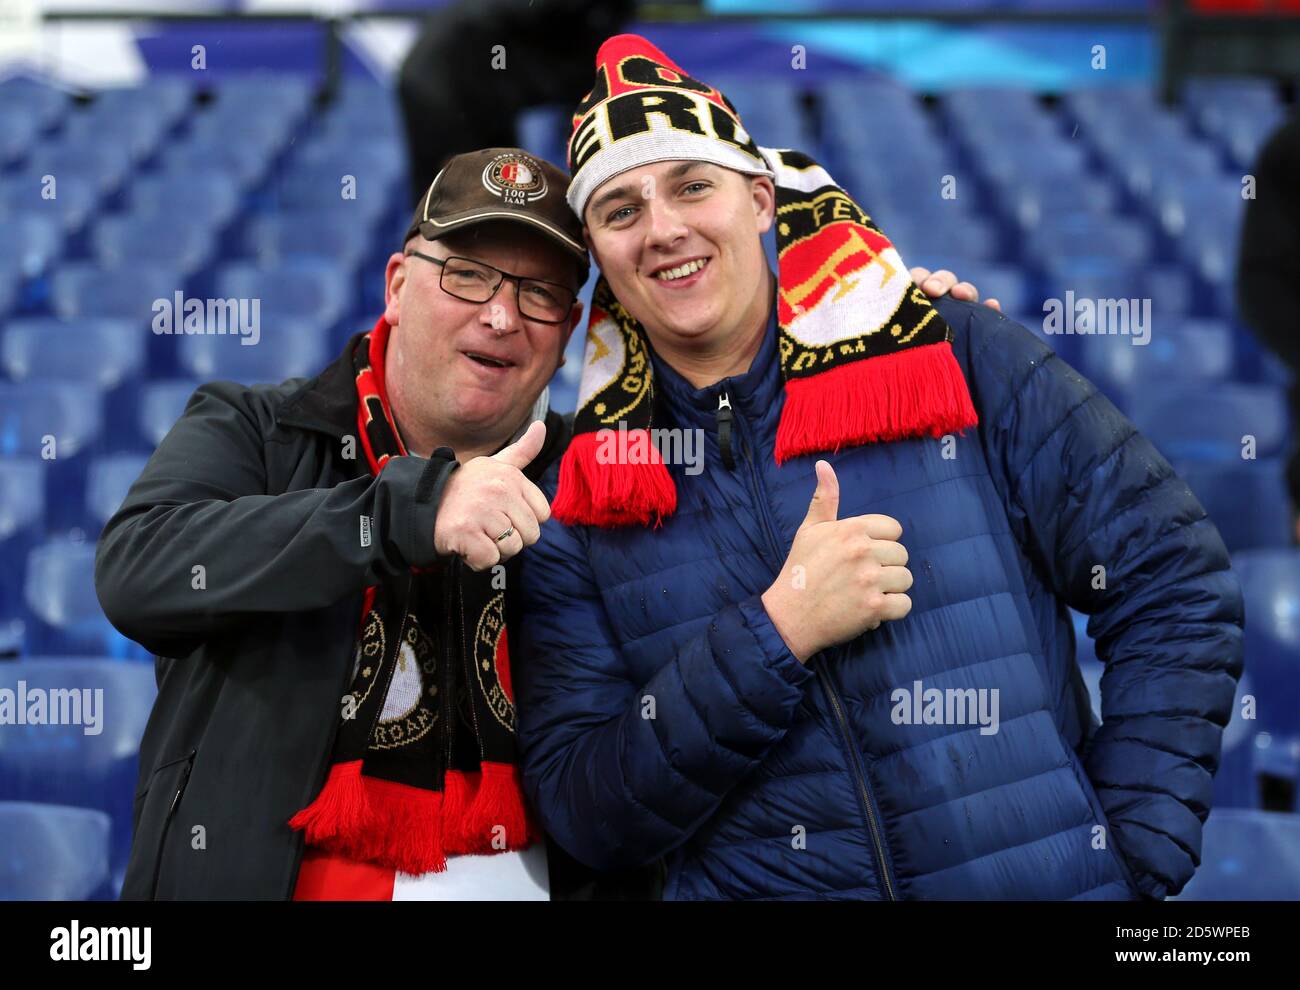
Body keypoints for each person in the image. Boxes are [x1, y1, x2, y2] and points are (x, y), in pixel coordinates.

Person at [96, 144, 987, 901]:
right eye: (468, 275)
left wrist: (884, 325)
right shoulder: (258, 426)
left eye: (540, 294)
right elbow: (138, 573)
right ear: (399, 284)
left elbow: (761, 464)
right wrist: (405, 513)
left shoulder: (600, 471)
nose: (499, 315)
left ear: (567, 335)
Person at [514, 35, 1245, 901]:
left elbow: (1173, 577)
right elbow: (587, 812)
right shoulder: (582, 496)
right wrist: (774, 637)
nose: (664, 228)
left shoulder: (954, 351)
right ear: (596, 249)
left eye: (691, 185)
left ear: (759, 198)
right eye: (621, 209)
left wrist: (1128, 855)